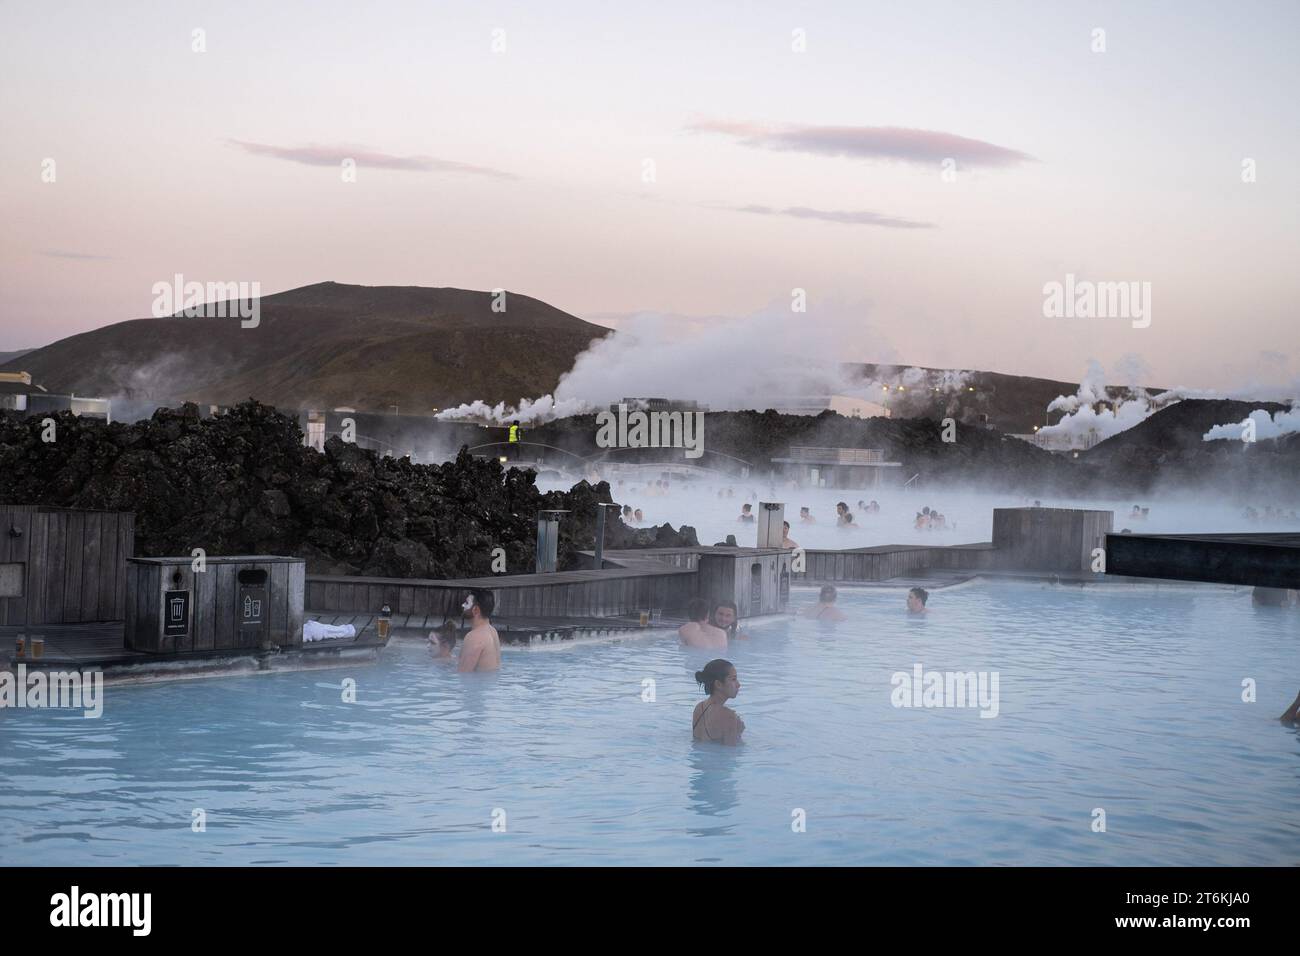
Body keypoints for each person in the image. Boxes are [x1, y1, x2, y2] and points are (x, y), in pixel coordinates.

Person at [692, 659, 744, 745]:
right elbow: (731, 754)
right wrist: (738, 732)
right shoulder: (729, 717)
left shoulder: (699, 707)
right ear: (718, 684)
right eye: (733, 679)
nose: (738, 684)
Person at [457, 588, 501, 672]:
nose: (463, 605)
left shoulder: (474, 636)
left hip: (476, 684)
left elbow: (463, 674)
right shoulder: (492, 631)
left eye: (466, 603)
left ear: (476, 610)